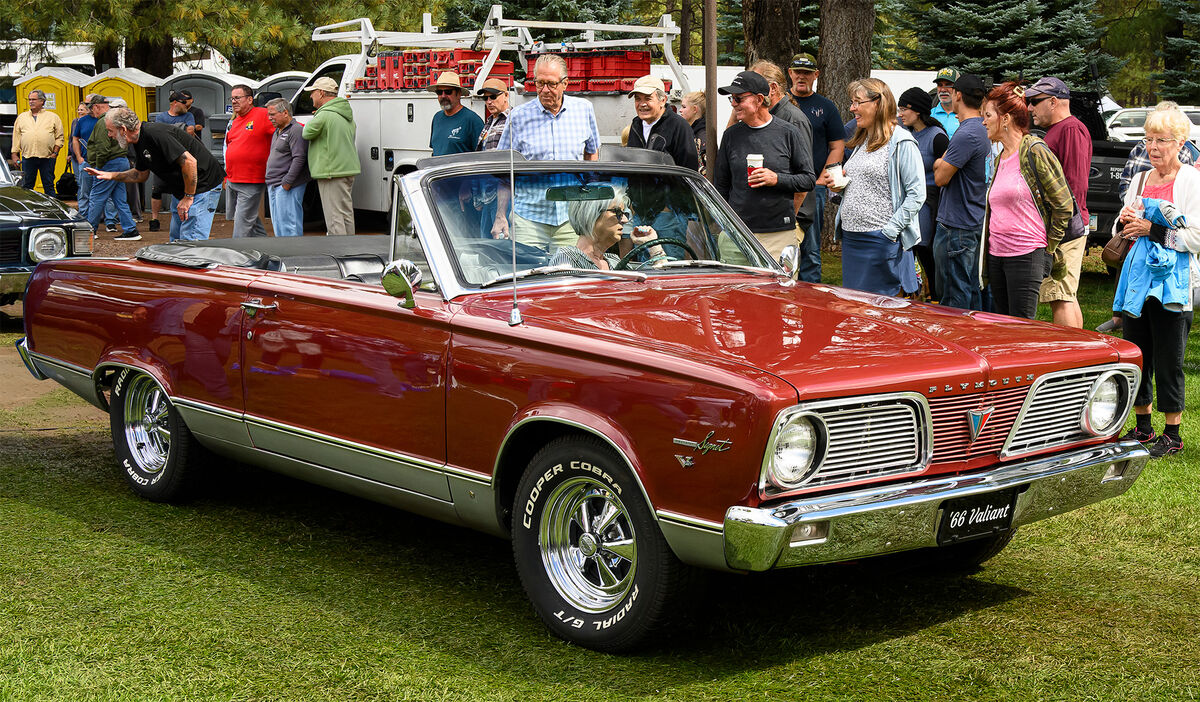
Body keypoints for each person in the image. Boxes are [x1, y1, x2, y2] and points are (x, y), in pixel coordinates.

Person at [1112, 107, 1200, 458]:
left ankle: (1173, 433)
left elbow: (1196, 237)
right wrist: (1124, 222)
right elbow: (1122, 228)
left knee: (1169, 356)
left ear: (1180, 143)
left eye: (1162, 140)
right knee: (1138, 352)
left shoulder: (1191, 180)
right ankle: (1143, 426)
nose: (1153, 147)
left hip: (1173, 282)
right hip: (1137, 279)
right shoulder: (1139, 179)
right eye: (1148, 139)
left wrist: (1153, 230)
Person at [819, 78, 923, 296]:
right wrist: (840, 187)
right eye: (852, 102)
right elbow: (869, 186)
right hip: (852, 240)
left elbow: (917, 194)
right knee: (855, 305)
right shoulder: (863, 141)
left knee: (879, 307)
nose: (852, 108)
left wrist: (890, 232)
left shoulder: (901, 142)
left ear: (878, 103)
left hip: (878, 241)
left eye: (858, 102)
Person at [979, 82, 1073, 319]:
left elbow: (1064, 204)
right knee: (1002, 324)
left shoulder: (1034, 150)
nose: (983, 122)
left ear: (1005, 119)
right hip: (996, 255)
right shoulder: (1000, 157)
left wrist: (1049, 250)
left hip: (1026, 254)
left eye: (988, 116)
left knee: (1021, 329)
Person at [493, 54, 601, 245]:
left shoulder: (584, 110)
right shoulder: (518, 116)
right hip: (529, 218)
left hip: (572, 219)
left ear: (565, 83)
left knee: (571, 265)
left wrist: (590, 203)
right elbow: (503, 170)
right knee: (527, 266)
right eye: (539, 83)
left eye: (551, 84)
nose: (544, 90)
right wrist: (500, 215)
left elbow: (592, 154)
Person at [714, 70, 815, 259]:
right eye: (732, 99)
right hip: (735, 235)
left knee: (777, 281)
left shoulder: (788, 132)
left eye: (738, 98)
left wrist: (776, 179)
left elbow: (808, 180)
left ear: (759, 99)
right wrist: (724, 224)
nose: (734, 104)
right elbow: (721, 185)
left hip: (777, 235)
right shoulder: (731, 135)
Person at [85, 107, 225, 241]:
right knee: (176, 239)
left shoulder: (155, 133)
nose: (109, 135)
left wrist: (188, 197)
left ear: (123, 129)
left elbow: (189, 162)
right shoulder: (138, 141)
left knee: (191, 240)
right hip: (182, 189)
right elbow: (140, 175)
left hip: (203, 185)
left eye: (110, 131)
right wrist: (111, 175)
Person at [1025, 76, 1090, 328]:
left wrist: (1058, 228)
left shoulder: (1070, 129)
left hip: (1065, 228)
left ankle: (1069, 349)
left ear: (1053, 101)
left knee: (1059, 295)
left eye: (1035, 101)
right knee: (1065, 295)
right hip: (1060, 227)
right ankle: (1081, 349)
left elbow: (1074, 184)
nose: (1030, 107)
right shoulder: (1058, 130)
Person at [932, 74, 991, 311]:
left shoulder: (967, 134)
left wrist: (939, 162)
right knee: (970, 290)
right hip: (973, 219)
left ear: (958, 95)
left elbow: (940, 177)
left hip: (956, 225)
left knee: (954, 297)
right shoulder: (983, 128)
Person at [787, 52, 845, 283]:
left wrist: (821, 179)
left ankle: (811, 296)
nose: (801, 76)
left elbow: (837, 146)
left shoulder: (826, 107)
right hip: (781, 184)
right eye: (797, 72)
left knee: (810, 249)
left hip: (813, 188)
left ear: (816, 75)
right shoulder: (780, 103)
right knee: (780, 243)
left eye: (807, 73)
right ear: (790, 73)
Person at [897, 87, 948, 300]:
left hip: (928, 202)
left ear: (917, 110)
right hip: (904, 199)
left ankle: (935, 297)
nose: (900, 114)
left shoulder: (937, 137)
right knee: (905, 251)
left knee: (924, 250)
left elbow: (946, 173)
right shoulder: (903, 133)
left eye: (903, 109)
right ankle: (908, 295)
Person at [549, 185, 665, 270]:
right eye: (617, 212)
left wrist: (654, 247)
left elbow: (660, 287)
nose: (625, 220)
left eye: (625, 213)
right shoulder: (567, 258)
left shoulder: (614, 261)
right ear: (591, 214)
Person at [303, 76, 360, 236]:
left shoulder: (324, 115)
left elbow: (306, 133)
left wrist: (316, 116)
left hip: (331, 171)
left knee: (334, 217)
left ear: (321, 93)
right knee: (346, 213)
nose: (311, 96)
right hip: (347, 169)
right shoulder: (345, 113)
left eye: (313, 92)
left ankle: (338, 249)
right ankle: (351, 247)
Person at [83, 98, 139, 241]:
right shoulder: (112, 119)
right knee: (120, 199)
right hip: (121, 161)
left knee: (97, 196)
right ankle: (130, 229)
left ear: (96, 107)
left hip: (109, 163)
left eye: (91, 108)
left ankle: (90, 230)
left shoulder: (104, 121)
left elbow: (103, 148)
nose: (90, 112)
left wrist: (98, 166)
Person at [224, 84, 274, 238]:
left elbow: (287, 126)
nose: (234, 101)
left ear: (250, 99)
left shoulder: (262, 114)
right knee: (250, 222)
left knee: (242, 224)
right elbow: (229, 146)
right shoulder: (235, 121)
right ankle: (266, 248)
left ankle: (237, 251)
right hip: (233, 179)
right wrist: (227, 176)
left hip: (251, 179)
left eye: (237, 98)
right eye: (232, 98)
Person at [148, 92, 199, 233]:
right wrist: (179, 128)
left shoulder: (189, 115)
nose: (187, 105)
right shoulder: (161, 117)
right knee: (157, 190)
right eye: (184, 103)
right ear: (175, 103)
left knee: (181, 189)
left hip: (181, 158)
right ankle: (154, 219)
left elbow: (190, 131)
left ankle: (181, 219)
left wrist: (171, 131)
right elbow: (159, 136)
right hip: (164, 159)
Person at [626, 75, 699, 170]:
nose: (642, 104)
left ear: (663, 100)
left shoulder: (679, 126)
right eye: (638, 99)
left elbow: (688, 169)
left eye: (648, 98)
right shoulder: (636, 125)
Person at [264, 98, 309, 238]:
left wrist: (288, 182)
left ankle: (294, 252)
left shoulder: (295, 130)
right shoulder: (278, 131)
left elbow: (299, 157)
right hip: (275, 183)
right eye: (269, 114)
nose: (270, 118)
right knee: (279, 225)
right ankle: (283, 251)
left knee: (290, 226)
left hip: (286, 185)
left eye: (272, 114)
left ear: (285, 113)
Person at [11, 89, 63, 198]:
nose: (31, 102)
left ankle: (52, 207)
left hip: (47, 157)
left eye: (34, 99)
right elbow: (16, 136)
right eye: (29, 99)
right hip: (28, 157)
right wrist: (14, 154)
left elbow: (59, 137)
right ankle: (28, 206)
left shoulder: (53, 117)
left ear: (42, 101)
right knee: (27, 186)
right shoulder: (22, 117)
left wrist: (55, 153)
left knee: (48, 185)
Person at [428, 72, 483, 156]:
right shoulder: (437, 118)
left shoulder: (472, 120)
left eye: (448, 92)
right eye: (439, 92)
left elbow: (482, 155)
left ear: (459, 93)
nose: (443, 96)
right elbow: (435, 151)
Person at [475, 78, 511, 151]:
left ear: (506, 96)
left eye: (493, 97)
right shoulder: (489, 121)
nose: (489, 102)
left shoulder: (513, 119)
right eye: (485, 98)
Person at [680, 90, 707, 175]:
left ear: (695, 109)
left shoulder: (702, 136)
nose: (680, 110)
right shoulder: (692, 133)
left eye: (684, 107)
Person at [931, 68, 960, 138]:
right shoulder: (930, 115)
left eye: (948, 85)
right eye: (940, 85)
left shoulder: (965, 115)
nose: (943, 89)